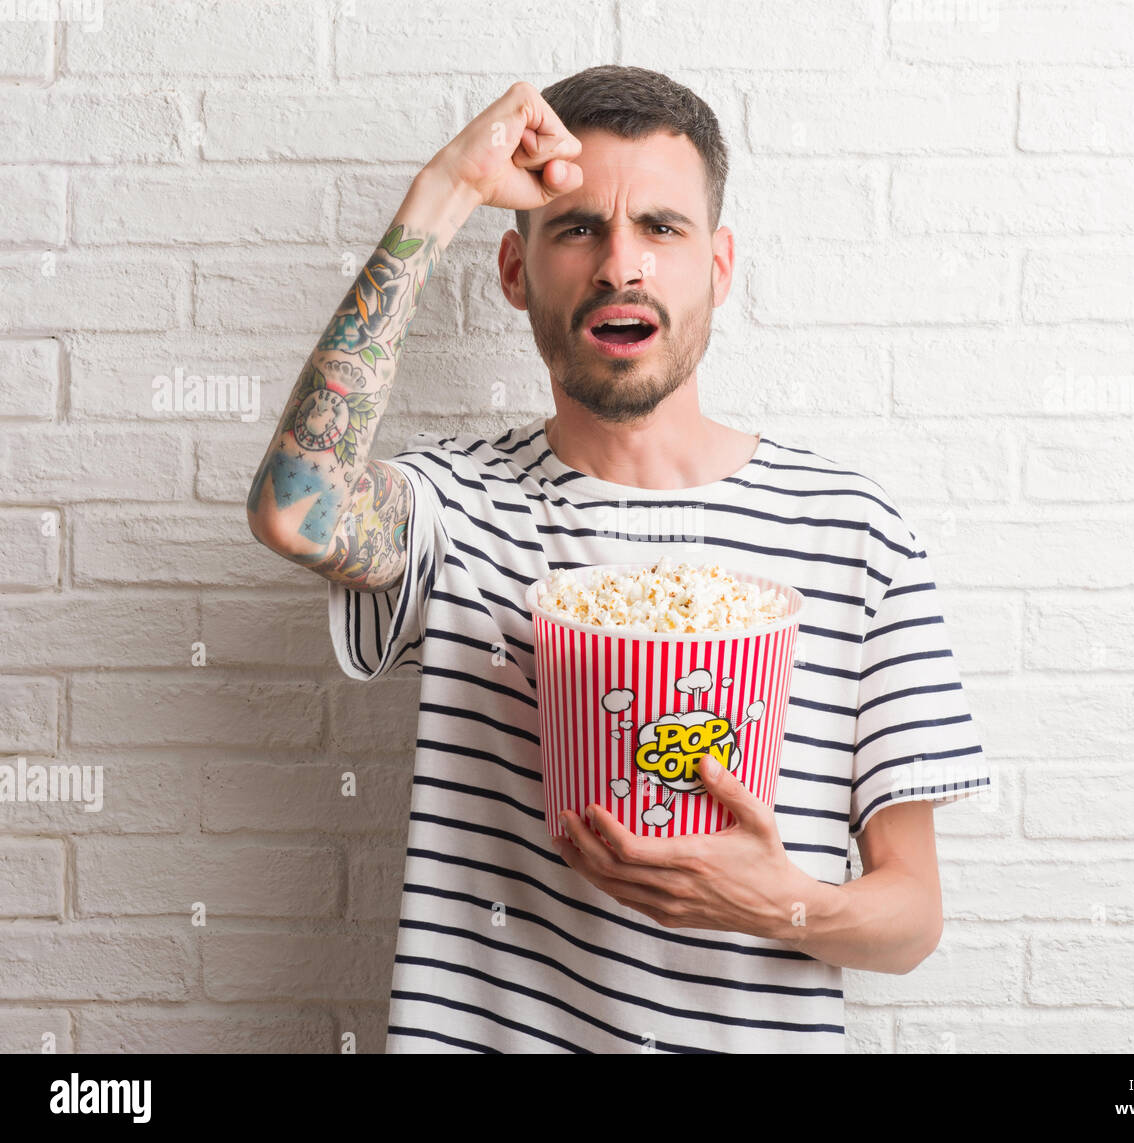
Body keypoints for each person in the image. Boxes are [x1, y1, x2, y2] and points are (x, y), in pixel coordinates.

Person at [246, 65, 992, 1053]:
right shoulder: (459, 510)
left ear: (718, 268)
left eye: (662, 229)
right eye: (575, 228)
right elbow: (299, 511)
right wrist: (446, 192)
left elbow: (911, 922)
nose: (619, 266)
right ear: (516, 273)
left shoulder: (852, 533)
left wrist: (783, 905)